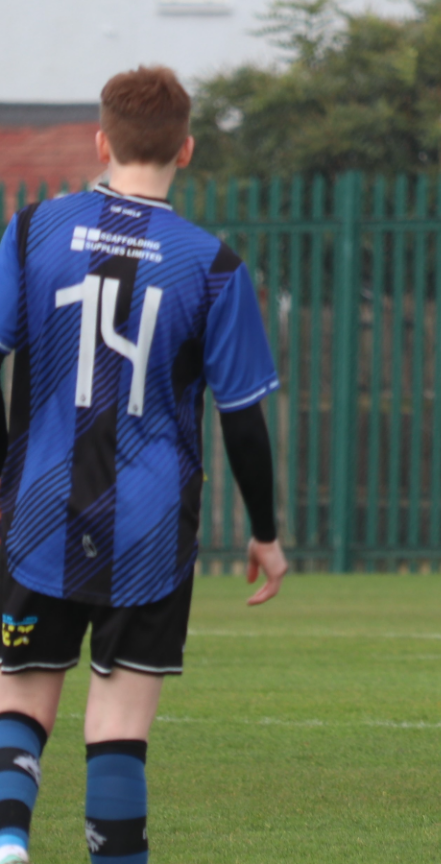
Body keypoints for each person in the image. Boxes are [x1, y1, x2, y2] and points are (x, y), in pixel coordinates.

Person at [0, 66, 288, 864]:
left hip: (36, 512)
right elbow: (243, 421)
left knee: (19, 702)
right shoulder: (211, 263)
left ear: (101, 141)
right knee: (119, 728)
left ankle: (8, 839)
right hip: (151, 526)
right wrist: (265, 532)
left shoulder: (34, 232)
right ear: (186, 150)